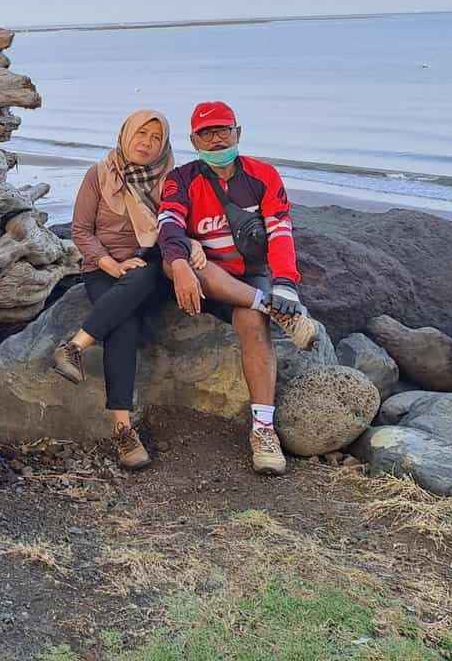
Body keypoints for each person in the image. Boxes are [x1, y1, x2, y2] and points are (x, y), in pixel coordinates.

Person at [157, 101, 317, 475]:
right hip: (204, 277)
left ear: (238, 133)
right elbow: (168, 225)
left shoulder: (263, 175)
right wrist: (179, 263)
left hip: (249, 276)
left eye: (222, 130)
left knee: (251, 325)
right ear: (193, 139)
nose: (215, 139)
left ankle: (263, 431)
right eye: (206, 133)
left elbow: (280, 231)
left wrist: (286, 287)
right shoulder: (180, 179)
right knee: (183, 262)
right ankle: (271, 307)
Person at [50, 109, 206, 470]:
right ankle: (123, 431)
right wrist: (113, 264)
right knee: (125, 324)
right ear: (125, 134)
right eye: (141, 134)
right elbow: (81, 232)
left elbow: (186, 223)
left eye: (156, 137)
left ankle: (74, 347)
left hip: (155, 266)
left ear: (165, 143)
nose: (147, 143)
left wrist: (192, 243)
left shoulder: (174, 180)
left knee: (145, 272)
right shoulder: (99, 175)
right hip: (104, 268)